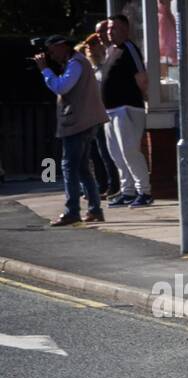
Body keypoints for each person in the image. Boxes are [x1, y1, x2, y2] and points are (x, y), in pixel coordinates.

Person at [35, 36, 108, 226]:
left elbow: (62, 87)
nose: (51, 56)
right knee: (83, 167)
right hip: (84, 121)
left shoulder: (76, 63)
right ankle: (94, 209)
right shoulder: (76, 62)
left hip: (78, 122)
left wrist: (45, 70)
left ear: (62, 46)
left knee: (69, 166)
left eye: (52, 51)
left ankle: (72, 211)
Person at [102, 14, 151, 208]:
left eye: (114, 28)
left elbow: (142, 79)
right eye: (108, 28)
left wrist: (141, 98)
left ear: (125, 30)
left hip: (127, 108)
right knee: (116, 153)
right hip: (110, 110)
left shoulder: (129, 49)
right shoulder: (111, 50)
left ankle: (144, 191)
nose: (109, 32)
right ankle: (128, 191)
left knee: (130, 151)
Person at [76, 32, 120, 198]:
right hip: (92, 116)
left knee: (106, 152)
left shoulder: (104, 67)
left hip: (104, 114)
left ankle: (113, 185)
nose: (89, 49)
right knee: (96, 153)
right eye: (88, 46)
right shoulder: (92, 69)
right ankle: (102, 185)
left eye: (93, 44)